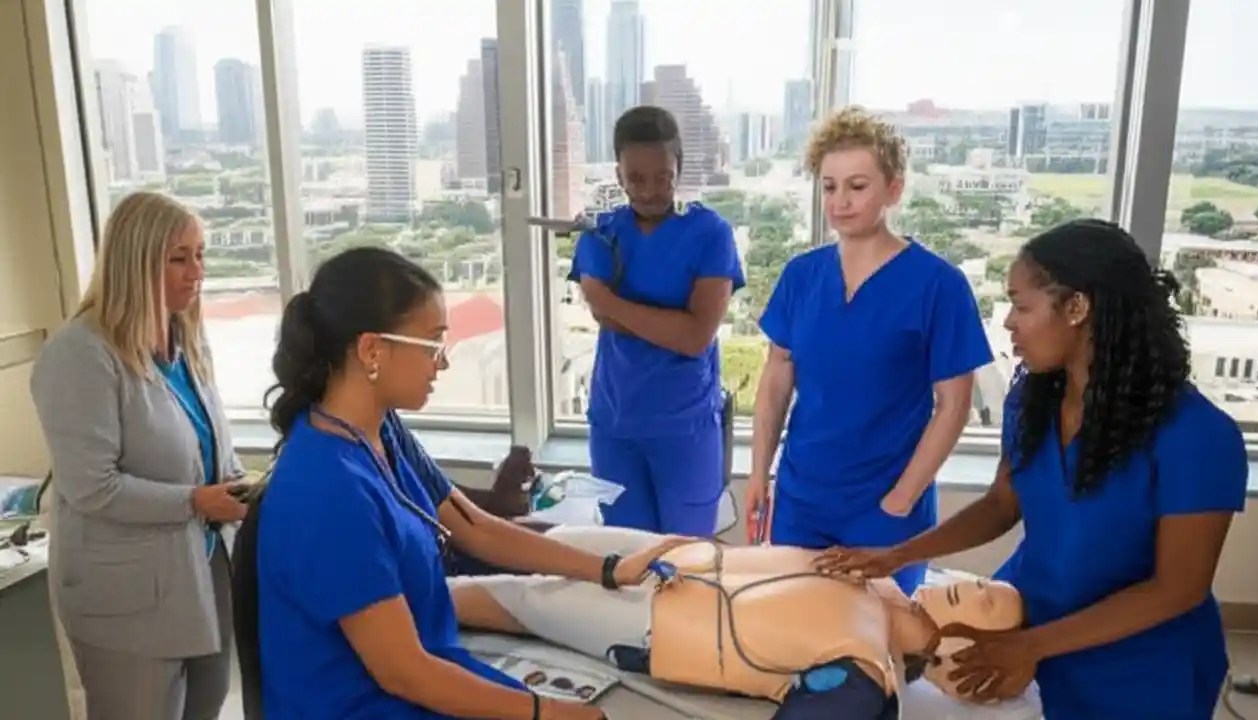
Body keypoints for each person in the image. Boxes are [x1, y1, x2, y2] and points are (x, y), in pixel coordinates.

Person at [815, 219, 1249, 719]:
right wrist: (897, 554)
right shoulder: (1032, 401)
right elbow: (1004, 502)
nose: (1008, 322)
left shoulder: (1198, 436)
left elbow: (1178, 588)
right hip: (1035, 625)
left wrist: (1033, 647)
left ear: (1077, 307)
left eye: (1022, 306)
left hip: (1140, 668)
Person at [241, 246, 688, 720]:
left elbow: (474, 526)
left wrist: (606, 569)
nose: (443, 363)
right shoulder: (326, 489)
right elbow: (404, 673)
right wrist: (547, 713)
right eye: (434, 344)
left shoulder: (379, 431)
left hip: (422, 672)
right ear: (372, 349)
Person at [748, 107, 992, 593]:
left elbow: (953, 406)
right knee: (795, 638)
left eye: (857, 186)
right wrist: (759, 474)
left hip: (885, 506)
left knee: (880, 651)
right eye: (829, 186)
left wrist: (900, 502)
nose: (840, 201)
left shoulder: (938, 285)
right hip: (802, 499)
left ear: (893, 189)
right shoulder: (802, 275)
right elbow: (777, 380)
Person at [30, 191, 248, 720]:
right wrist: (197, 502)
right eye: (179, 257)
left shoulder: (186, 338)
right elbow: (91, 486)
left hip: (201, 576)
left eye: (200, 254)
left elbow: (208, 442)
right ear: (136, 260)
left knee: (208, 702)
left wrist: (246, 486)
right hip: (124, 600)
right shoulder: (80, 353)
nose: (197, 271)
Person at [449, 525, 1030, 720]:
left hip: (658, 623)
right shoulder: (878, 579)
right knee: (540, 543)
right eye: (985, 583)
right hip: (673, 556)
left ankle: (376, 602)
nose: (973, 584)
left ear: (962, 658)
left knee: (506, 597)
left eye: (984, 603)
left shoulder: (864, 674)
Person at [568, 105, 746, 537]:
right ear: (618, 174)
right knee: (627, 556)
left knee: (688, 561)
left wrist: (612, 301)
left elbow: (694, 337)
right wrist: (669, 321)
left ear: (679, 168)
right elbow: (601, 316)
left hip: (686, 427)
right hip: (615, 425)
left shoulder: (710, 233)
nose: (649, 190)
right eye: (636, 179)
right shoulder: (601, 233)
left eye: (663, 176)